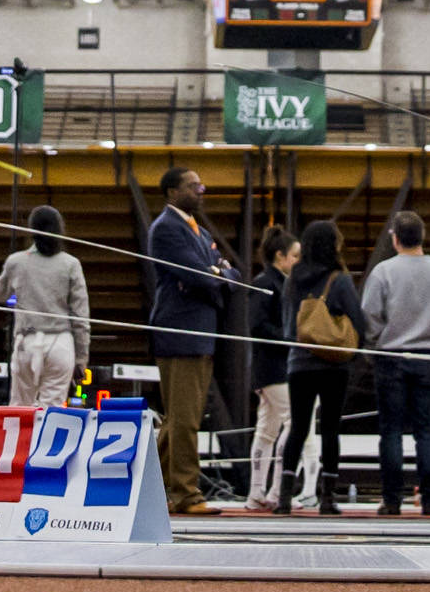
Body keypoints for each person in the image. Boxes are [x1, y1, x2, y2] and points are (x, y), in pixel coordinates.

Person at [144, 164, 246, 518]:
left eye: (200, 185)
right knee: (185, 420)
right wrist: (215, 273)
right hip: (180, 331)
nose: (200, 190)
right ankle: (186, 494)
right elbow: (201, 276)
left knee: (178, 419)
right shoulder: (166, 229)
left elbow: (228, 273)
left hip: (201, 332)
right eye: (192, 185)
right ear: (172, 191)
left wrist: (217, 273)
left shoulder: (199, 231)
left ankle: (144, 484)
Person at [360, 210, 430, 516]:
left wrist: (374, 348)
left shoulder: (383, 272)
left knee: (390, 430)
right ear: (422, 237)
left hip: (391, 357)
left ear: (394, 238)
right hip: (429, 357)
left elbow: (370, 317)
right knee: (426, 429)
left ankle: (391, 500)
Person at [285, 220, 369, 508]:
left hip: (299, 363)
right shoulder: (340, 278)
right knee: (331, 428)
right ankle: (328, 497)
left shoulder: (294, 276)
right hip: (334, 366)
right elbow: (359, 320)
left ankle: (284, 497)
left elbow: (288, 324)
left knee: (298, 428)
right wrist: (356, 352)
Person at [0, 207, 91, 409]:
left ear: (32, 230)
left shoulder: (17, 261)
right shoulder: (71, 264)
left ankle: (20, 442)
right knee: (52, 410)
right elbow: (80, 317)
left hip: (26, 344)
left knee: (19, 408)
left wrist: (14, 278)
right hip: (59, 345)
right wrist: (81, 358)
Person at [247, 226, 301, 511]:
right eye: (294, 255)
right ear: (280, 256)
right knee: (294, 423)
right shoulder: (265, 283)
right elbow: (257, 325)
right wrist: (290, 338)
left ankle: (257, 493)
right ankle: (278, 491)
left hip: (272, 367)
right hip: (273, 367)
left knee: (267, 430)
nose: (298, 261)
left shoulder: (280, 282)